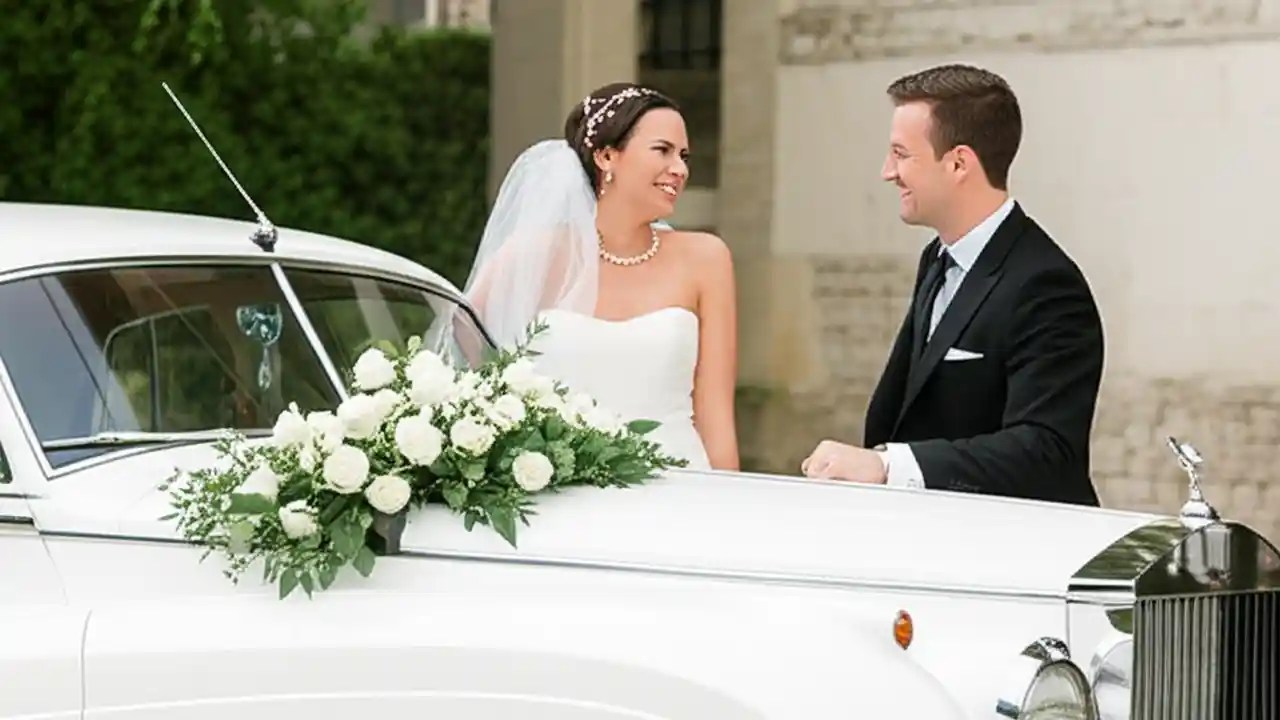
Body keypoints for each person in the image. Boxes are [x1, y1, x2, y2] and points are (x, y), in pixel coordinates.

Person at [801, 64, 1104, 506]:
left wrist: (888, 466)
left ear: (959, 162)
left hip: (1009, 550)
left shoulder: (1046, 286)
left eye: (901, 154)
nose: (888, 171)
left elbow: (1046, 450)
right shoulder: (937, 258)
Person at [460, 82, 740, 471]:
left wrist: (730, 511)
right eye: (663, 150)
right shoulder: (534, 253)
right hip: (563, 493)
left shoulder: (706, 259)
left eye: (684, 156)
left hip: (681, 487)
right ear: (607, 156)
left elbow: (716, 417)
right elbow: (463, 345)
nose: (680, 169)